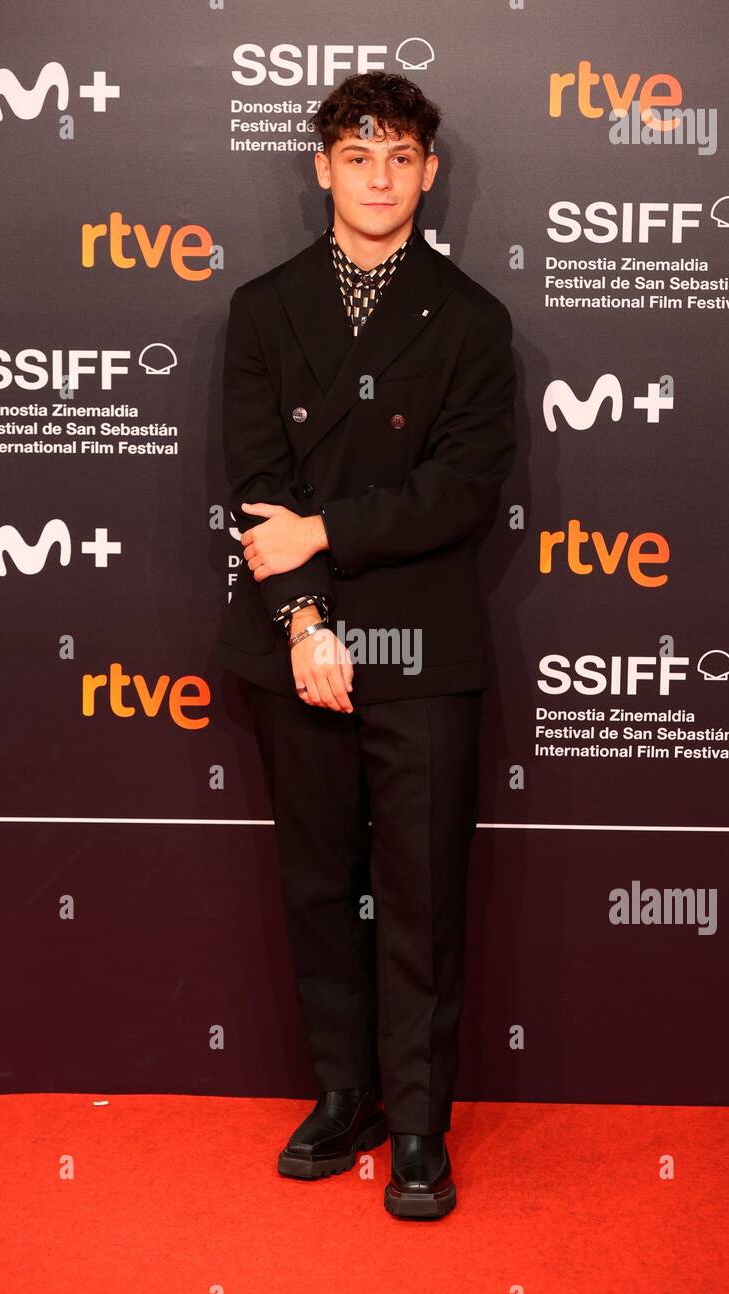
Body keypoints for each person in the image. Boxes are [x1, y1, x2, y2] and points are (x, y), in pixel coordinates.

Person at [219, 70, 516, 1219]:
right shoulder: (262, 307)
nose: (378, 176)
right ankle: (344, 1093)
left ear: (427, 173)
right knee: (315, 885)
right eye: (358, 155)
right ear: (322, 168)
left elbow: (458, 492)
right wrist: (303, 621)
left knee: (421, 894)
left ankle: (420, 1123)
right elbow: (254, 485)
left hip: (426, 648)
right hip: (299, 641)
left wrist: (327, 530)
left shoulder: (473, 319)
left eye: (399, 157)